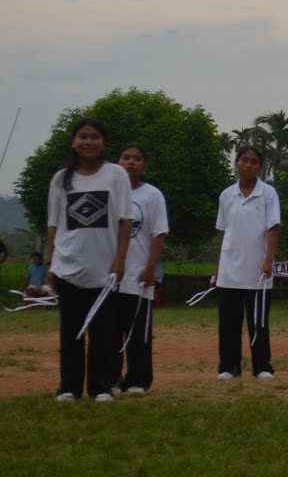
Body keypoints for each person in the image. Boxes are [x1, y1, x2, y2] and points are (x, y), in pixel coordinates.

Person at [45, 117, 132, 402]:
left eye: (95, 137)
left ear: (103, 143)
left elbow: (124, 221)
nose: (89, 142)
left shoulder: (116, 175)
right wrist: (52, 263)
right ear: (73, 142)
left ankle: (100, 387)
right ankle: (69, 388)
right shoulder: (61, 179)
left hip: (104, 270)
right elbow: (54, 225)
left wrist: (120, 261)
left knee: (103, 334)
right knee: (71, 332)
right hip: (68, 266)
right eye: (83, 136)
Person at [213, 146, 280, 381]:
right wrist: (219, 265)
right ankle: (228, 367)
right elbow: (223, 232)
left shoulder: (268, 193)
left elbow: (273, 228)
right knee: (229, 322)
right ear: (237, 163)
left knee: (258, 321)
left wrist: (269, 259)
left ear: (260, 167)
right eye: (244, 160)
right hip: (230, 269)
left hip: (258, 270)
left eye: (253, 162)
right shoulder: (226, 195)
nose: (248, 165)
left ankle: (262, 365)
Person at [114, 144, 169, 395]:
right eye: (126, 158)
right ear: (117, 162)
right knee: (109, 333)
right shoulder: (108, 193)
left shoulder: (152, 195)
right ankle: (110, 380)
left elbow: (159, 234)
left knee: (138, 333)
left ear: (144, 166)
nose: (130, 162)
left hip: (138, 277)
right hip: (109, 277)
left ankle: (137, 380)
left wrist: (150, 269)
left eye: (137, 159)